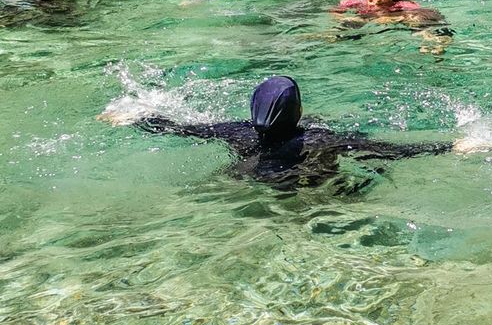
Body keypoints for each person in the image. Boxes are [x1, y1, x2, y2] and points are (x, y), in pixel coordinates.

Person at [101, 75, 456, 191]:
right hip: (309, 191)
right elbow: (395, 150)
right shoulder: (321, 138)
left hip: (251, 181)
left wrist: (132, 117)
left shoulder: (237, 132)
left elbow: (181, 128)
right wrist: (455, 145)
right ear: (299, 111)